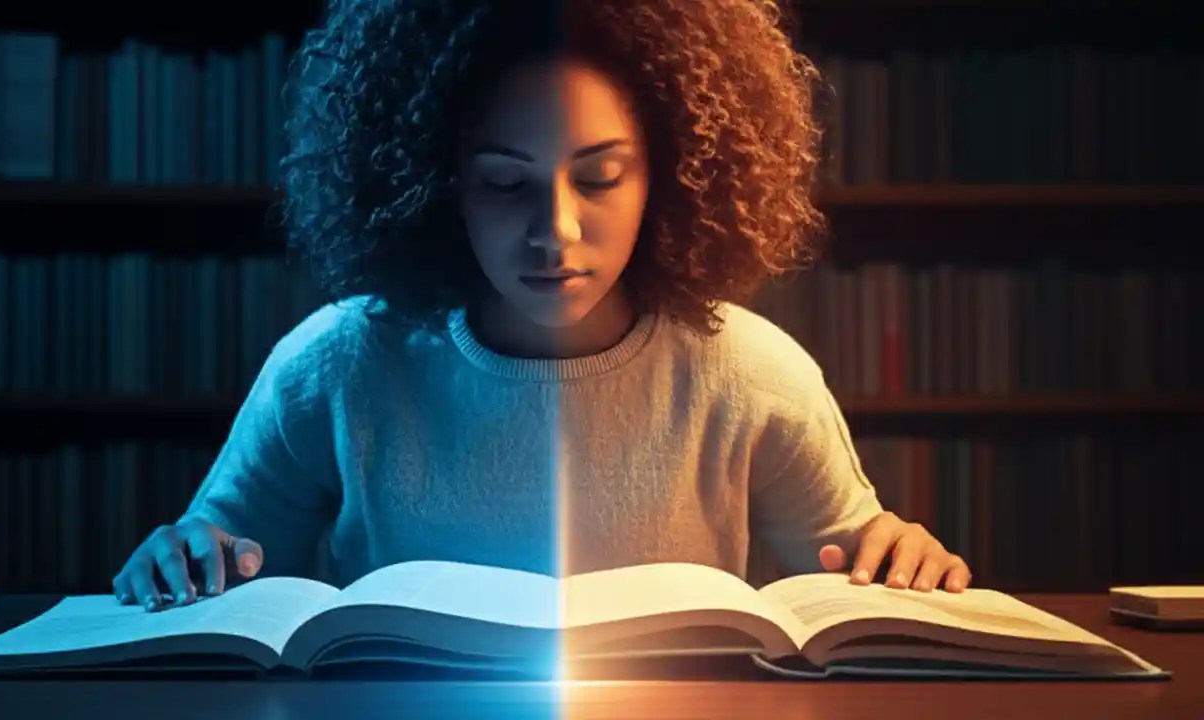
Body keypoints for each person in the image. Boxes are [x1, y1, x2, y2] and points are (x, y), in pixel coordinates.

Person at [112, 0, 971, 612]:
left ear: (669, 175)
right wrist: (183, 560)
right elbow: (213, 572)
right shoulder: (335, 363)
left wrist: (901, 563)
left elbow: (861, 579)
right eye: (504, 183)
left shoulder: (753, 374)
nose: (555, 232)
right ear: (438, 184)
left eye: (599, 178)